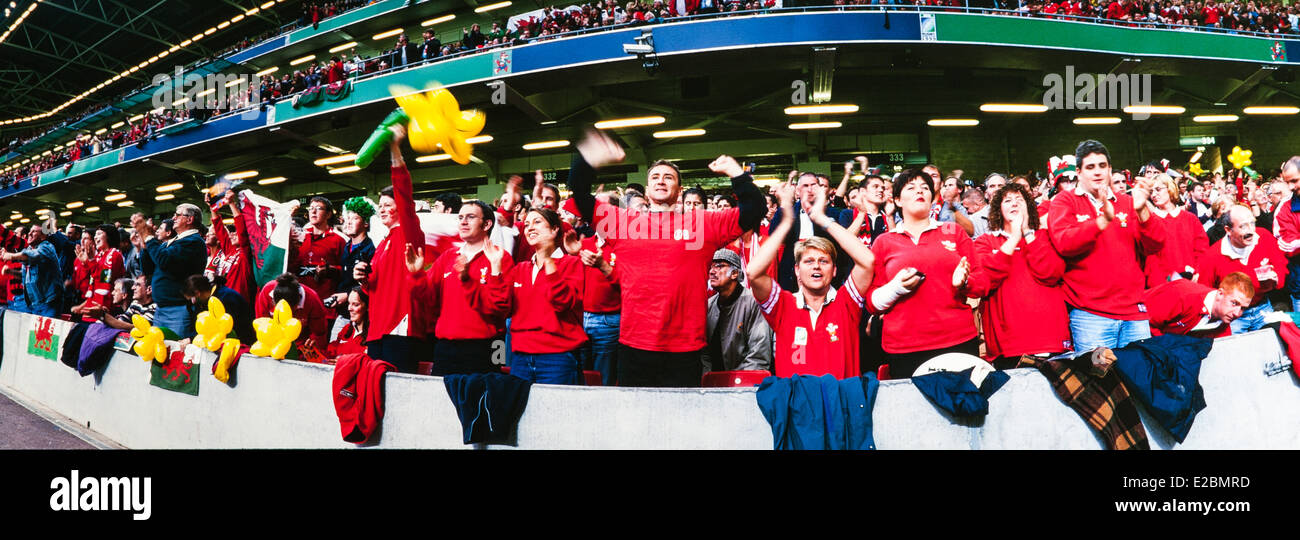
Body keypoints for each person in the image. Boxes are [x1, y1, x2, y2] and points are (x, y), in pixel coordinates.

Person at [567, 130, 764, 387]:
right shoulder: (622, 222)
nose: (661, 181)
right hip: (634, 345)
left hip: (684, 348)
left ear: (680, 190)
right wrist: (589, 157)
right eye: (655, 177)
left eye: (668, 177)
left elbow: (754, 211)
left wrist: (737, 173)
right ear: (647, 191)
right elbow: (580, 195)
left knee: (680, 424)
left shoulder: (703, 223)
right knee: (635, 422)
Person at [866, 169, 988, 378]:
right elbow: (872, 303)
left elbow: (982, 283)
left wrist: (965, 282)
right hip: (904, 346)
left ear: (932, 197)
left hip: (956, 339)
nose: (919, 192)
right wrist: (895, 288)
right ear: (897, 199)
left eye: (925, 188)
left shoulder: (954, 232)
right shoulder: (884, 242)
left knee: (963, 407)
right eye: (911, 188)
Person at [1049, 140, 1164, 352]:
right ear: (1079, 172)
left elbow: (1156, 244)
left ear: (1110, 170)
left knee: (1139, 380)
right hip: (1090, 315)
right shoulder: (1064, 201)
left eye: (1103, 166)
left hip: (1134, 312)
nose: (1098, 172)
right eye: (1090, 167)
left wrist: (1142, 211)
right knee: (1099, 384)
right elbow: (1064, 243)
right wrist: (1101, 222)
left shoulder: (1128, 202)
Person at [748, 183, 872, 378]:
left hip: (841, 405)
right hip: (797, 406)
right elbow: (753, 272)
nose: (816, 266)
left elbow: (868, 261)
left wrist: (821, 219)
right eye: (809, 261)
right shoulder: (783, 305)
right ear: (797, 270)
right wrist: (787, 221)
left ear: (834, 271)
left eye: (824, 261)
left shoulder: (846, 302)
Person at [354, 124, 431, 374]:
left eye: (388, 204)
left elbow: (404, 193)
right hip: (377, 329)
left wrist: (395, 148)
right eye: (380, 205)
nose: (382, 208)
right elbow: (377, 286)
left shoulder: (409, 233)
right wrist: (364, 280)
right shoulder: (383, 243)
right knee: (376, 391)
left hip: (400, 328)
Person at [478, 208, 586, 384]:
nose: (529, 228)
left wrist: (550, 267)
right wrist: (496, 268)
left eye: (537, 222)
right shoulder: (520, 269)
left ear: (554, 229)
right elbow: (501, 308)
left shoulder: (571, 263)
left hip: (557, 357)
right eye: (526, 224)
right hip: (521, 357)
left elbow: (562, 303)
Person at [973, 182, 1071, 369]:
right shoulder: (985, 242)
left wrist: (1027, 233)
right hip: (1009, 344)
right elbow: (986, 279)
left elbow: (1050, 273)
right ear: (998, 209)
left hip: (1050, 338)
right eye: (1008, 200)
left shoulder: (1045, 237)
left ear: (1029, 207)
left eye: (1020, 200)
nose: (1014, 203)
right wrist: (1014, 237)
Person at [410, 199, 513, 376]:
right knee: (441, 401)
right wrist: (417, 274)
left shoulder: (502, 258)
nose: (463, 222)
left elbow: (502, 308)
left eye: (470, 217)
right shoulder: (447, 258)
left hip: (491, 346)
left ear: (487, 224)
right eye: (460, 217)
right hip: (446, 346)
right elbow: (427, 300)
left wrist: (467, 281)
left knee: (487, 400)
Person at [1197, 205, 1287, 334]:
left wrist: (1277, 277)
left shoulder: (1263, 237)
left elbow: (1280, 262)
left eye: (1252, 223)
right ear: (1228, 230)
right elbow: (1204, 294)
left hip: (1263, 307)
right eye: (1243, 226)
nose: (1251, 230)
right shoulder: (1212, 256)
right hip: (1233, 318)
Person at [136, 204, 208, 338]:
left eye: (178, 214)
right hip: (162, 308)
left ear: (190, 219)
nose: (173, 217)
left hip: (178, 310)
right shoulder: (173, 242)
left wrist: (150, 238)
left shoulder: (193, 242)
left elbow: (164, 261)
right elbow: (148, 269)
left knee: (176, 352)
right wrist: (144, 244)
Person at [768, 172, 848, 292]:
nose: (810, 189)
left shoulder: (833, 213)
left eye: (814, 185)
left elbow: (841, 246)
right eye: (805, 186)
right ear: (798, 191)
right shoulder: (786, 212)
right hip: (792, 274)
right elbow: (773, 236)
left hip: (824, 273)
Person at [702, 248, 772, 374]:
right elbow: (704, 355)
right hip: (712, 386)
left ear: (734, 273)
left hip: (744, 385)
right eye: (711, 267)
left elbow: (758, 356)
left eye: (719, 266)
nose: (712, 271)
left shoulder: (754, 303)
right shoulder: (709, 305)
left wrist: (736, 384)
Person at [1143, 174, 1208, 287]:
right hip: (1163, 286)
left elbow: (1202, 250)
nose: (1154, 195)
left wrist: (1198, 272)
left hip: (1192, 283)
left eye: (1158, 189)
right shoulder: (1150, 221)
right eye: (1151, 192)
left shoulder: (1190, 218)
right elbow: (1151, 261)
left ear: (1170, 189)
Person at [1141, 274, 1254, 338]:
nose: (1237, 313)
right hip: (1133, 320)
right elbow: (1144, 322)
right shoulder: (1183, 295)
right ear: (1220, 293)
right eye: (1234, 303)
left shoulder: (1224, 321)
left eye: (1243, 308)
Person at [328, 197, 376, 339]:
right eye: (346, 217)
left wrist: (347, 295)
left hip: (363, 317)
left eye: (354, 218)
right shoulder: (347, 246)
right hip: (343, 313)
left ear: (366, 223)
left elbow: (372, 285)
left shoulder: (371, 250)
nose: (348, 222)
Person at [255, 273, 331, 359]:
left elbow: (320, 333)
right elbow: (261, 324)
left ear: (298, 303)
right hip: (273, 346)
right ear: (273, 301)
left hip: (302, 348)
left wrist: (314, 341)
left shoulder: (312, 300)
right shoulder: (267, 291)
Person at [0, 223, 62, 316]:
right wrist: (11, 272)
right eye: (30, 231)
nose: (30, 233)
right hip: (35, 304)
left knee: (45, 330)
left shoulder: (47, 247)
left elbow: (31, 257)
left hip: (49, 303)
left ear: (43, 237)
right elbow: (25, 276)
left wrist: (11, 256)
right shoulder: (30, 248)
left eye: (34, 231)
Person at [295, 196, 345, 305]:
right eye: (311, 208)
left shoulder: (338, 240)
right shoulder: (299, 236)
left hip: (324, 300)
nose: (313, 211)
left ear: (328, 214)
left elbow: (346, 270)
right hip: (299, 299)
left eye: (318, 208)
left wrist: (332, 270)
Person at [183, 274, 254, 344]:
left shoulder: (227, 297)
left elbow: (222, 327)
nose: (192, 302)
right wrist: (190, 338)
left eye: (191, 298)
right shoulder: (203, 301)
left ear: (197, 293)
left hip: (240, 340)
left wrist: (192, 339)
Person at [1270, 156, 1300, 312]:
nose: (1291, 187)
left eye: (1294, 181)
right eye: (1287, 182)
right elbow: (1288, 246)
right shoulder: (1284, 208)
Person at [326, 286, 369, 359]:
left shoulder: (373, 336)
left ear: (368, 307)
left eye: (355, 304)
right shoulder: (346, 330)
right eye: (349, 303)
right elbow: (328, 357)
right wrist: (315, 349)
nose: (349, 308)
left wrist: (343, 362)